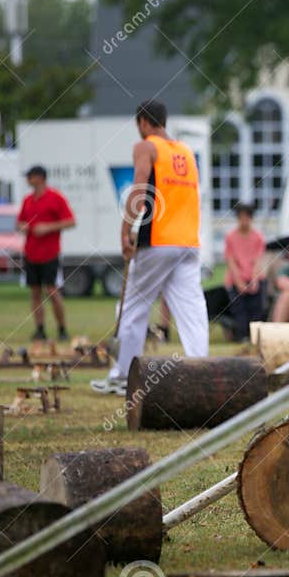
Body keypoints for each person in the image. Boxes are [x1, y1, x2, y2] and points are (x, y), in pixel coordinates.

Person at [91, 99, 209, 395]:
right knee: (191, 310)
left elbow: (140, 191)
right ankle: (202, 369)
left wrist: (125, 230)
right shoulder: (186, 151)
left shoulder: (146, 147)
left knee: (132, 306)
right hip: (188, 243)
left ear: (144, 122)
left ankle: (121, 376)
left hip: (158, 240)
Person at [16, 165, 76, 341]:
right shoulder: (28, 200)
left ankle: (62, 328)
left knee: (52, 291)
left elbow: (70, 221)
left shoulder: (55, 197)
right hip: (30, 253)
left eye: (30, 176)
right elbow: (19, 222)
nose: (28, 180)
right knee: (35, 292)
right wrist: (23, 227)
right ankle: (40, 329)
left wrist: (48, 228)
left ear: (40, 178)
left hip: (50, 253)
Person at [224, 202, 266, 341]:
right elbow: (231, 261)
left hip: (254, 277)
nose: (244, 221)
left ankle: (256, 337)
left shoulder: (258, 237)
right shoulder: (230, 237)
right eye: (241, 217)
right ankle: (241, 336)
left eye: (247, 217)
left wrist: (254, 280)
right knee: (239, 310)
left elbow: (258, 260)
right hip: (237, 278)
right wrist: (238, 282)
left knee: (256, 309)